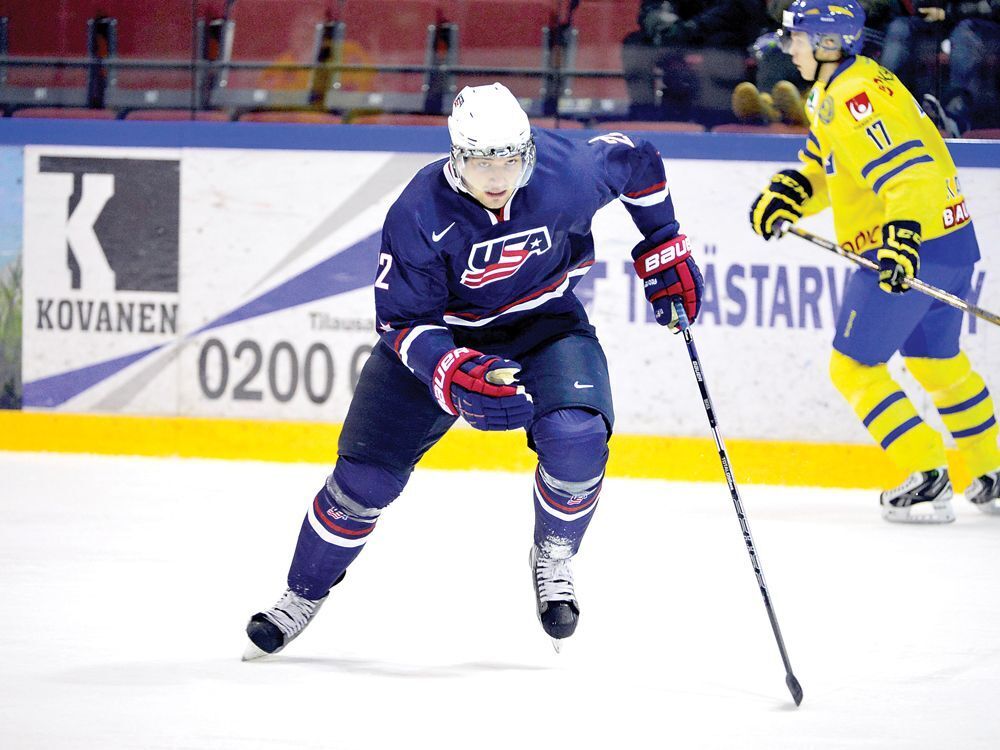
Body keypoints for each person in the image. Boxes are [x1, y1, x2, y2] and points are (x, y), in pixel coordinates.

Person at [242, 82, 704, 657]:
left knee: (578, 435)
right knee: (365, 482)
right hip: (442, 336)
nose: (496, 174)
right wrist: (453, 372)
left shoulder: (567, 171)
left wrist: (664, 242)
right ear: (456, 154)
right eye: (481, 159)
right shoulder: (418, 211)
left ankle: (555, 553)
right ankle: (301, 593)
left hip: (545, 323)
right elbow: (401, 322)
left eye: (509, 157)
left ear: (527, 150)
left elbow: (636, 159)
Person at [749, 0, 1000, 523]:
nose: (788, 46)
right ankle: (991, 469)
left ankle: (926, 475)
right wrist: (789, 195)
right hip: (950, 241)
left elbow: (910, 171)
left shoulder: (855, 96)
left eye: (797, 38)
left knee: (853, 367)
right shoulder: (841, 89)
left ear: (828, 43)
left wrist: (901, 240)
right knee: (939, 363)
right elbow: (826, 166)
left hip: (911, 245)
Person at [621, 0, 770, 122]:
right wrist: (663, 26)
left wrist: (693, 27)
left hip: (724, 32)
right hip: (678, 31)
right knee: (634, 44)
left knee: (721, 47)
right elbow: (651, 8)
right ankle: (643, 116)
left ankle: (716, 119)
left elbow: (740, 9)